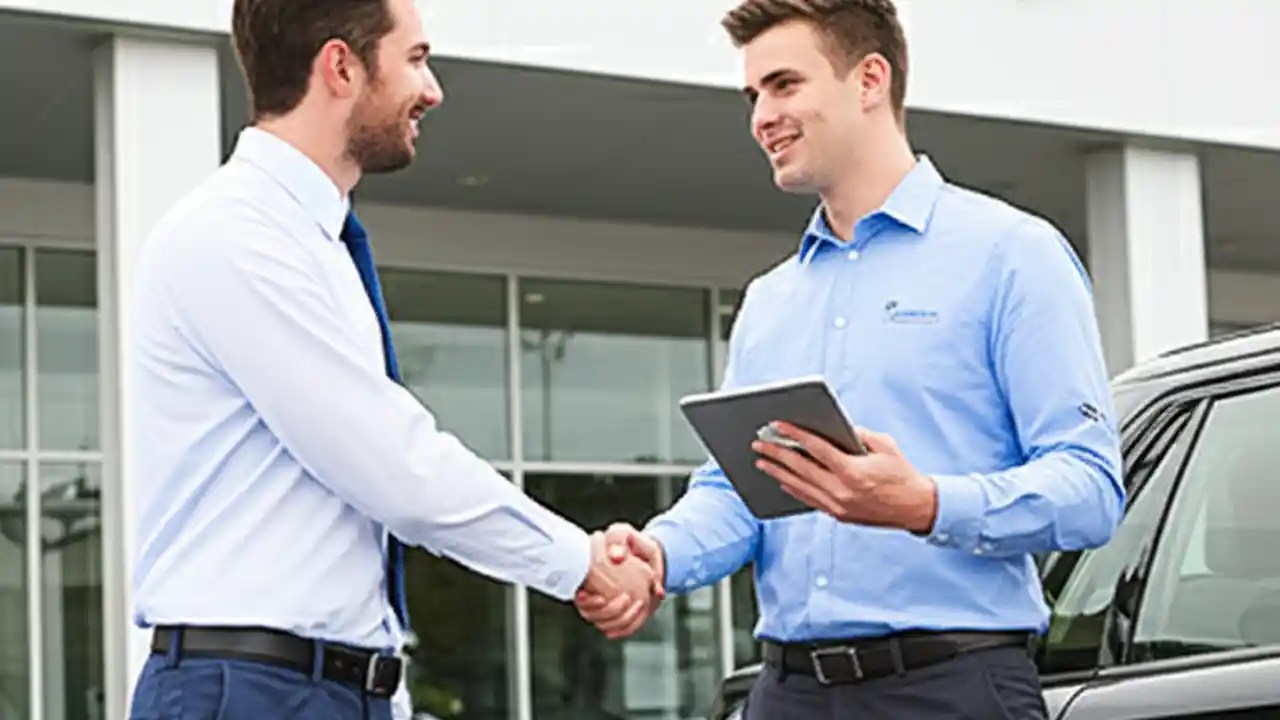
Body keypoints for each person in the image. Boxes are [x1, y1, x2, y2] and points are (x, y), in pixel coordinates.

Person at [575, 0, 1125, 717]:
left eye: (783, 85)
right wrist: (658, 556)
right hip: (786, 694)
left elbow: (1089, 489)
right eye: (753, 96)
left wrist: (924, 504)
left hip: (952, 690)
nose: (760, 117)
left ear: (869, 79)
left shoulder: (1012, 256)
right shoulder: (771, 299)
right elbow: (740, 492)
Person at [126, 1, 654, 718]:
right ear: (340, 66)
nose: (431, 89)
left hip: (329, 686)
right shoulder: (234, 236)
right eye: (414, 59)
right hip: (251, 692)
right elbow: (391, 462)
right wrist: (578, 562)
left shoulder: (314, 242)